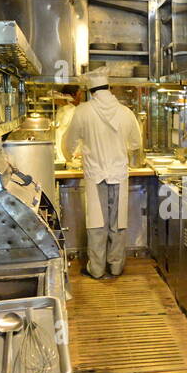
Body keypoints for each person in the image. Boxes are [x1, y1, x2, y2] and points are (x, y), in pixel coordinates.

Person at [62, 78, 142, 279]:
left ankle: (96, 269)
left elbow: (69, 142)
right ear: (109, 89)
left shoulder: (83, 111)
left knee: (97, 223)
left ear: (91, 91)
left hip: (95, 175)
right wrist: (132, 159)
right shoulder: (126, 112)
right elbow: (136, 145)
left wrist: (68, 155)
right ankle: (116, 266)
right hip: (119, 174)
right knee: (118, 222)